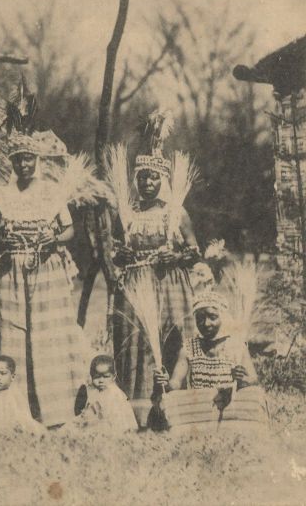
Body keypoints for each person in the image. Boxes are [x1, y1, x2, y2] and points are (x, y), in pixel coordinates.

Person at [0, 133, 88, 427]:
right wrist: (3, 244)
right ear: (12, 162)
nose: (24, 164)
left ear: (38, 160)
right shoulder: (2, 194)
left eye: (29, 158)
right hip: (11, 271)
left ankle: (54, 412)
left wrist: (52, 238)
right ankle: (13, 411)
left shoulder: (52, 191)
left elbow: (68, 230)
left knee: (47, 335)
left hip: (46, 269)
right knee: (12, 332)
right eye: (18, 159)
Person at [110, 117, 199, 425]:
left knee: (173, 338)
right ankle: (138, 408)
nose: (148, 183)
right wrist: (120, 255)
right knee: (137, 341)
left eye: (153, 178)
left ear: (163, 179)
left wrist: (173, 256)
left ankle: (174, 402)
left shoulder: (175, 212)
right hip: (135, 283)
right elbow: (116, 252)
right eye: (143, 178)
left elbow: (194, 252)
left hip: (169, 283)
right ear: (136, 180)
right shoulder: (127, 213)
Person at [153, 291, 258, 392]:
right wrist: (166, 383)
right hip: (200, 407)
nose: (206, 324)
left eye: (213, 317)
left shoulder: (237, 346)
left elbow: (254, 380)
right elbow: (176, 382)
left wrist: (243, 380)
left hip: (229, 407)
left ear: (223, 317)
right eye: (200, 318)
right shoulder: (189, 348)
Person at [71, 355, 138, 433]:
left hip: (114, 422)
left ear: (114, 376)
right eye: (97, 377)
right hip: (97, 421)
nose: (101, 381)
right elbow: (89, 409)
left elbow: (120, 414)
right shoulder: (93, 391)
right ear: (91, 376)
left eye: (106, 377)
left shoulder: (114, 392)